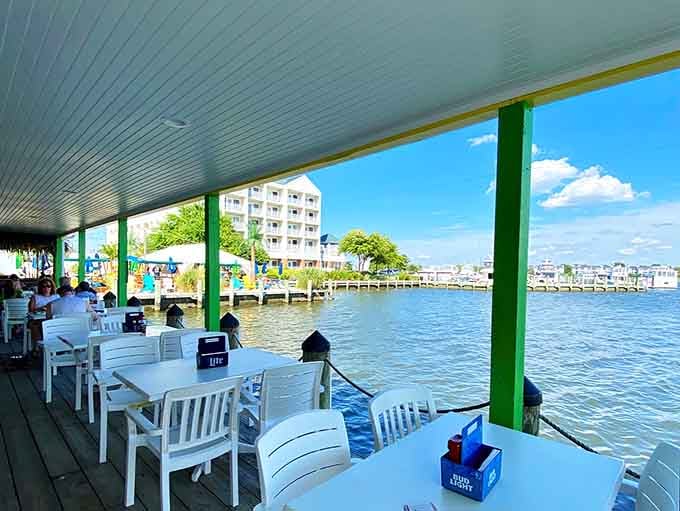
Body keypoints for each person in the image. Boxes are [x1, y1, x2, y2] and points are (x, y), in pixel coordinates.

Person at [28, 278, 59, 351]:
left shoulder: (56, 297)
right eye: (43, 286)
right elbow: (30, 310)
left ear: (52, 287)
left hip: (51, 319)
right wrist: (40, 308)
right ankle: (36, 347)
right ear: (40, 287)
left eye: (48, 286)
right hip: (36, 319)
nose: (46, 288)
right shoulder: (35, 297)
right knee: (36, 325)